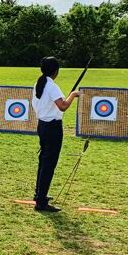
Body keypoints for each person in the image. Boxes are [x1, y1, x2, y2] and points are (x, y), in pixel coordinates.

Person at [31, 56, 80, 212]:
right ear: (56, 71)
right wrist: (73, 95)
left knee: (44, 161)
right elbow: (63, 106)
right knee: (49, 164)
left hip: (43, 126)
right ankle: (41, 201)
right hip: (52, 128)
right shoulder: (51, 86)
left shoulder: (39, 83)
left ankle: (39, 194)